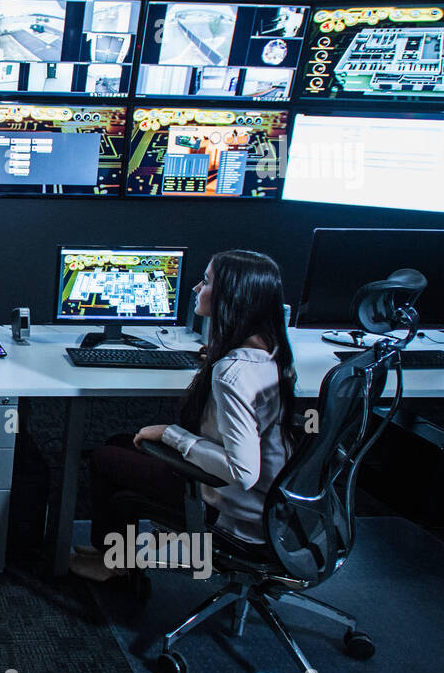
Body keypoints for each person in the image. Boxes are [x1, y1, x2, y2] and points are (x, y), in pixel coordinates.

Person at [70, 249, 298, 581]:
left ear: (229, 296)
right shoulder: (272, 350)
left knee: (106, 457)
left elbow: (243, 471)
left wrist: (171, 434)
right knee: (120, 442)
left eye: (206, 281)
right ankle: (114, 553)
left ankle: (114, 564)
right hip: (276, 497)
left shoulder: (232, 373)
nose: (195, 288)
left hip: (237, 504)